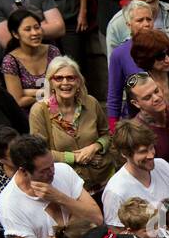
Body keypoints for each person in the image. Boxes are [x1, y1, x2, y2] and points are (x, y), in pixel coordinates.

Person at [0, 133, 102, 238]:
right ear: (24, 171)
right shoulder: (9, 203)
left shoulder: (62, 171)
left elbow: (96, 217)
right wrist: (71, 223)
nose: (52, 172)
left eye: (51, 165)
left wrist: (60, 198)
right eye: (44, 171)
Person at [29, 56, 111, 193]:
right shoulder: (39, 111)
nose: (65, 82)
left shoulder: (91, 102)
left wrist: (95, 147)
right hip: (68, 188)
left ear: (78, 81)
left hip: (103, 179)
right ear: (51, 82)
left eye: (71, 78)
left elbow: (107, 135)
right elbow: (39, 153)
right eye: (59, 78)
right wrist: (74, 157)